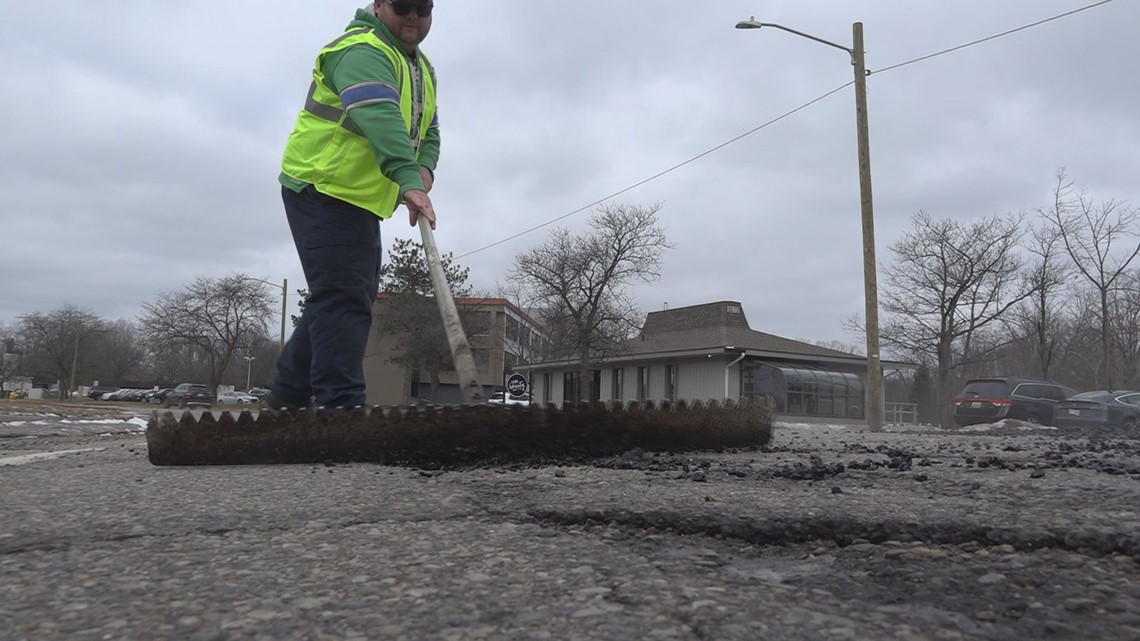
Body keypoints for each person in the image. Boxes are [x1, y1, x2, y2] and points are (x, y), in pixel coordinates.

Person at [268, 0, 440, 410]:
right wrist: (406, 176)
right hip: (321, 184)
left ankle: (287, 398)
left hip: (357, 197)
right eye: (403, 5)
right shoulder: (361, 50)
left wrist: (424, 172)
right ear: (380, 5)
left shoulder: (420, 67)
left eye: (424, 6)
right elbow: (377, 113)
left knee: (344, 293)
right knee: (345, 294)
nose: (413, 14)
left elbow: (429, 128)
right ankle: (340, 407)